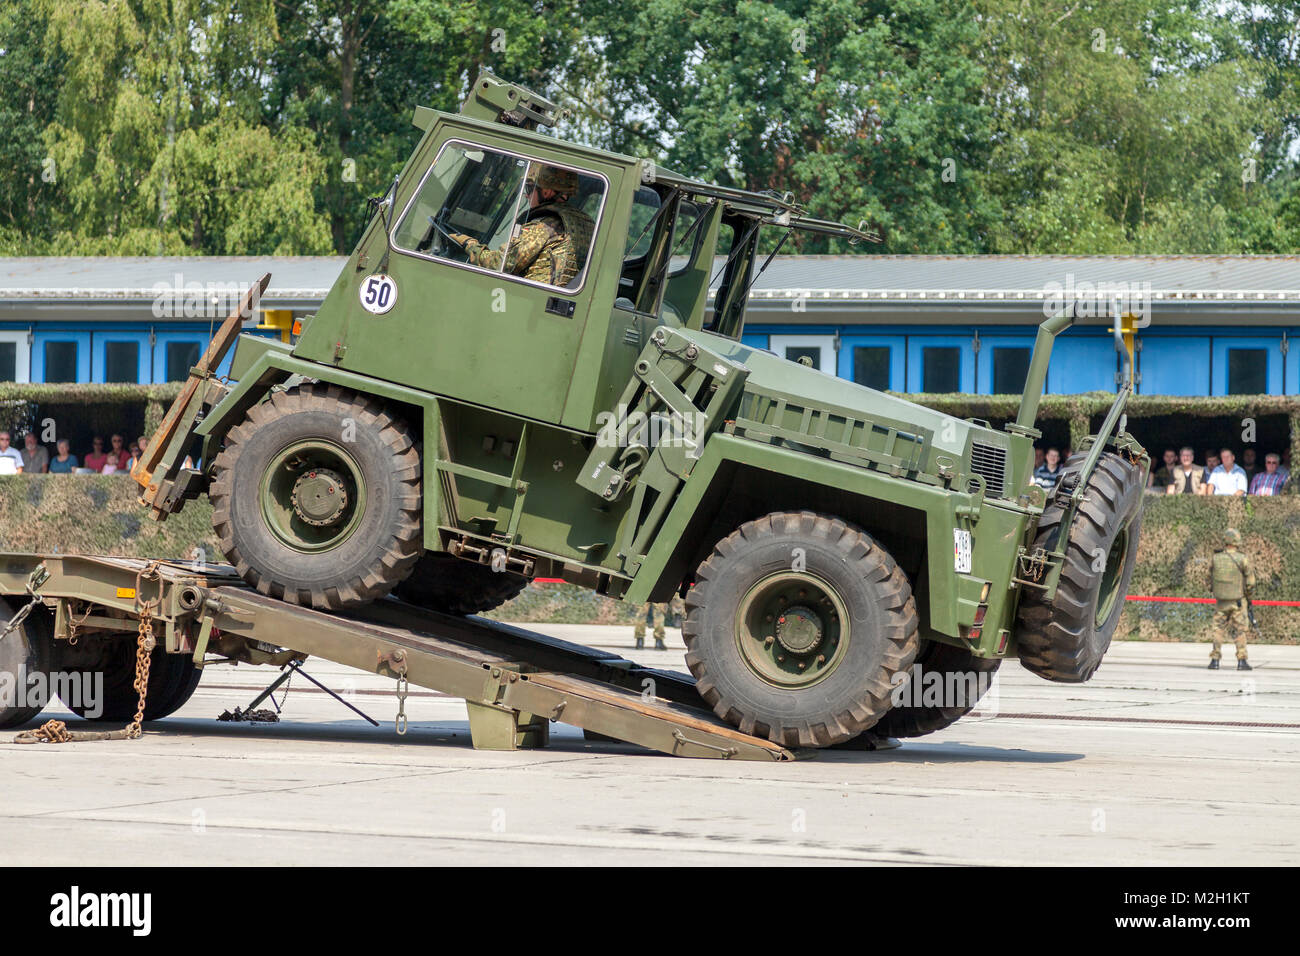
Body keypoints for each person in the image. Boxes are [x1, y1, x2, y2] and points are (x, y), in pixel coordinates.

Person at [451, 166, 595, 287]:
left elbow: (501, 265)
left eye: (529, 188)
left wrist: (470, 246)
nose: (526, 196)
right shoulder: (583, 222)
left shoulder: (546, 225)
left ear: (546, 192)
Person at [1209, 528, 1255, 671]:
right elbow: (1250, 582)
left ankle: (1215, 660)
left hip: (1221, 601)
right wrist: (1249, 595)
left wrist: (1214, 591)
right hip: (1238, 602)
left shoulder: (1216, 558)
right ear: (1236, 541)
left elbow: (1209, 578)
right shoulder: (1242, 559)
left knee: (1218, 629)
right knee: (1240, 631)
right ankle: (1242, 661)